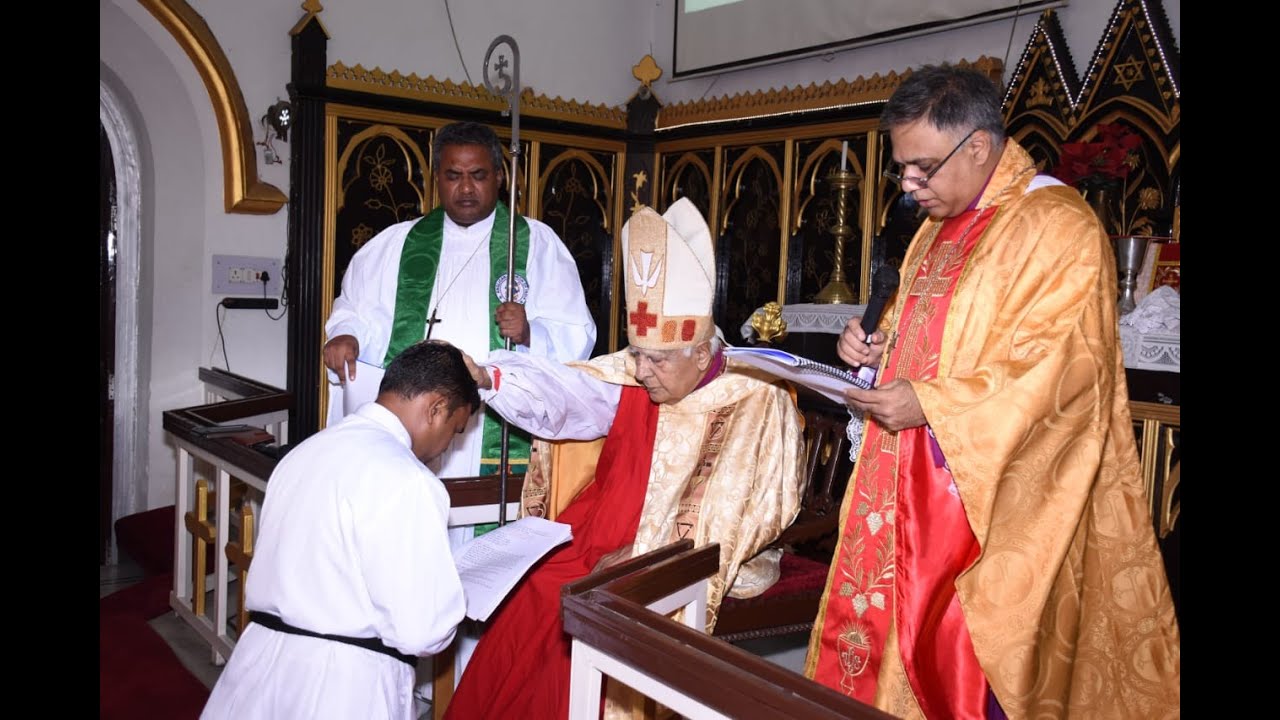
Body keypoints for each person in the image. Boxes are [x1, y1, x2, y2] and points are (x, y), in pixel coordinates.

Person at [804, 65, 1180, 718]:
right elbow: (919, 341)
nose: (910, 187)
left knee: (968, 679)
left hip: (991, 511)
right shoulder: (935, 229)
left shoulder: (1057, 226)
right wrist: (870, 351)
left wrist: (931, 404)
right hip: (904, 498)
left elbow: (1062, 371)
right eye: (903, 170)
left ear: (977, 146)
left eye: (922, 167)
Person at [442, 198, 806, 720]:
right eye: (637, 354)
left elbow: (752, 506)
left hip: (697, 549)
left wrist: (648, 550)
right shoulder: (639, 370)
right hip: (606, 533)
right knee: (534, 590)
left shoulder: (754, 396)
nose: (642, 370)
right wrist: (492, 378)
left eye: (656, 359)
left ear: (701, 354)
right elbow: (571, 394)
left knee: (581, 606)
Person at [200, 340, 478, 720]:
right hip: (341, 686)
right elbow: (421, 630)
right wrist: (453, 599)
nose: (448, 446)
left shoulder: (305, 452)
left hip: (258, 667)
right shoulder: (407, 478)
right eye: (456, 429)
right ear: (435, 409)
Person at [323, 120, 596, 485]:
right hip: (415, 425)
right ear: (436, 178)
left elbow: (577, 336)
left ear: (500, 177)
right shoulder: (395, 246)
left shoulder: (535, 246)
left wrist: (532, 333)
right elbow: (356, 309)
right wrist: (346, 335)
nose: (466, 188)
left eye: (478, 175)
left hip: (491, 430)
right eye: (453, 175)